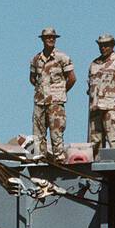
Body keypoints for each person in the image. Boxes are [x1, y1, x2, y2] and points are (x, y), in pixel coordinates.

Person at [28, 27, 75, 159]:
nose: (50, 39)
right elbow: (32, 78)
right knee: (37, 133)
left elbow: (72, 78)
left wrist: (60, 91)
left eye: (53, 37)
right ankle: (38, 159)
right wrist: (40, 90)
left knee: (57, 132)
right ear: (42, 39)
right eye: (48, 37)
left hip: (55, 102)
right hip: (39, 101)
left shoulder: (62, 57)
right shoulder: (36, 59)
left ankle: (59, 159)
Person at [87, 34, 115, 153]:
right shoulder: (94, 64)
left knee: (114, 139)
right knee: (95, 142)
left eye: (106, 45)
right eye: (101, 45)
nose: (103, 48)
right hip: (96, 108)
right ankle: (96, 168)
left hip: (112, 107)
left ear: (112, 45)